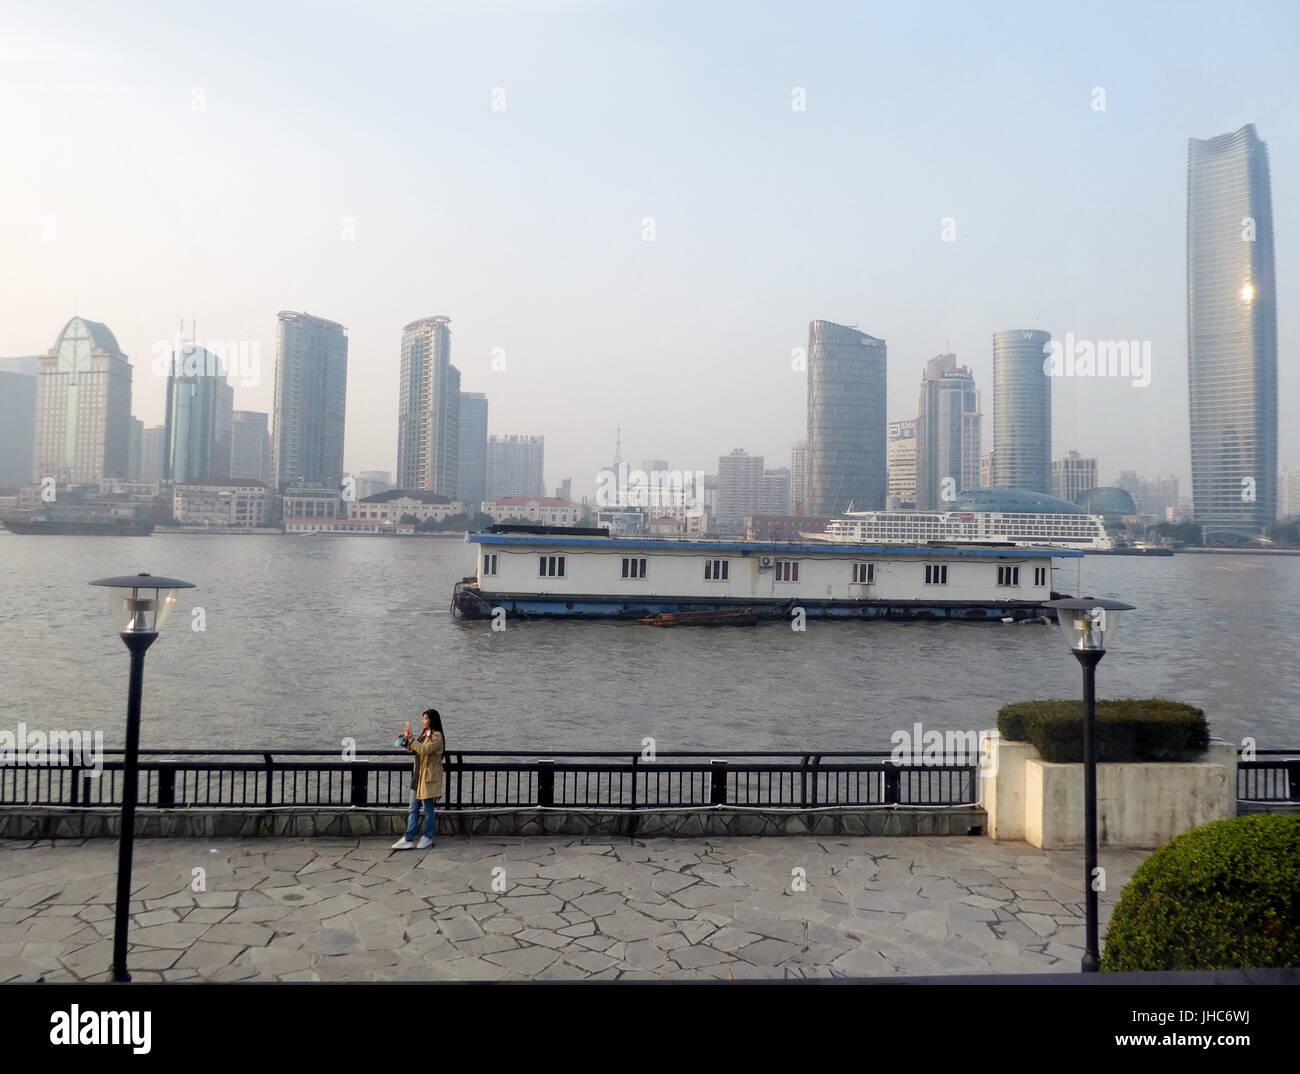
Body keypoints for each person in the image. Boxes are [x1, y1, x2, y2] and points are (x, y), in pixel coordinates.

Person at [391, 709, 444, 850]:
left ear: (432, 720)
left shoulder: (437, 737)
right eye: (423, 718)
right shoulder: (423, 734)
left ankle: (427, 836)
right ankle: (408, 838)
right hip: (418, 777)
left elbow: (424, 750)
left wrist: (412, 741)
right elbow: (414, 749)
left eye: (425, 718)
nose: (423, 721)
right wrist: (406, 739)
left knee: (428, 809)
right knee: (413, 808)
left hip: (427, 778)